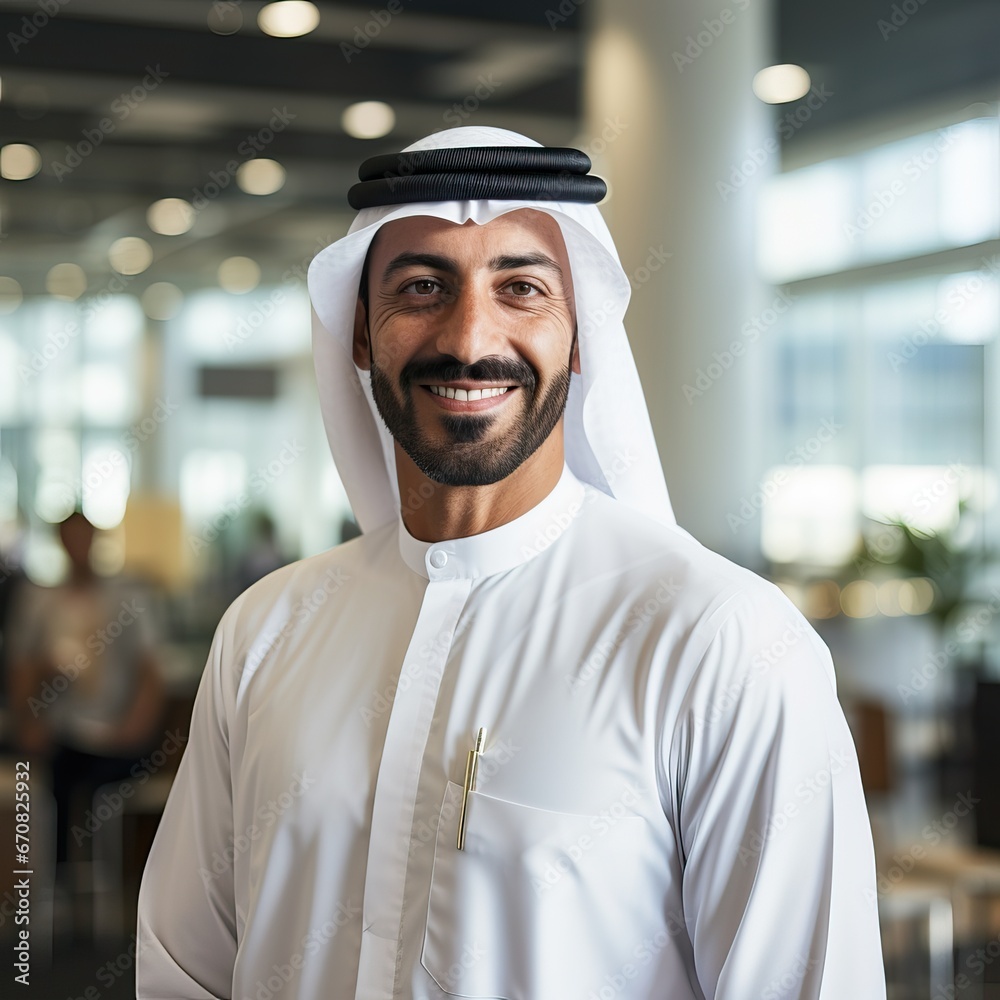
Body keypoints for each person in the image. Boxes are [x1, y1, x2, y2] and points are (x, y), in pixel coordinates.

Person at [137, 127, 886, 999]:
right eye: (422, 287)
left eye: (521, 287)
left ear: (580, 337)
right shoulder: (266, 629)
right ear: (359, 337)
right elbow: (182, 970)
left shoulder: (725, 644)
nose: (469, 337)